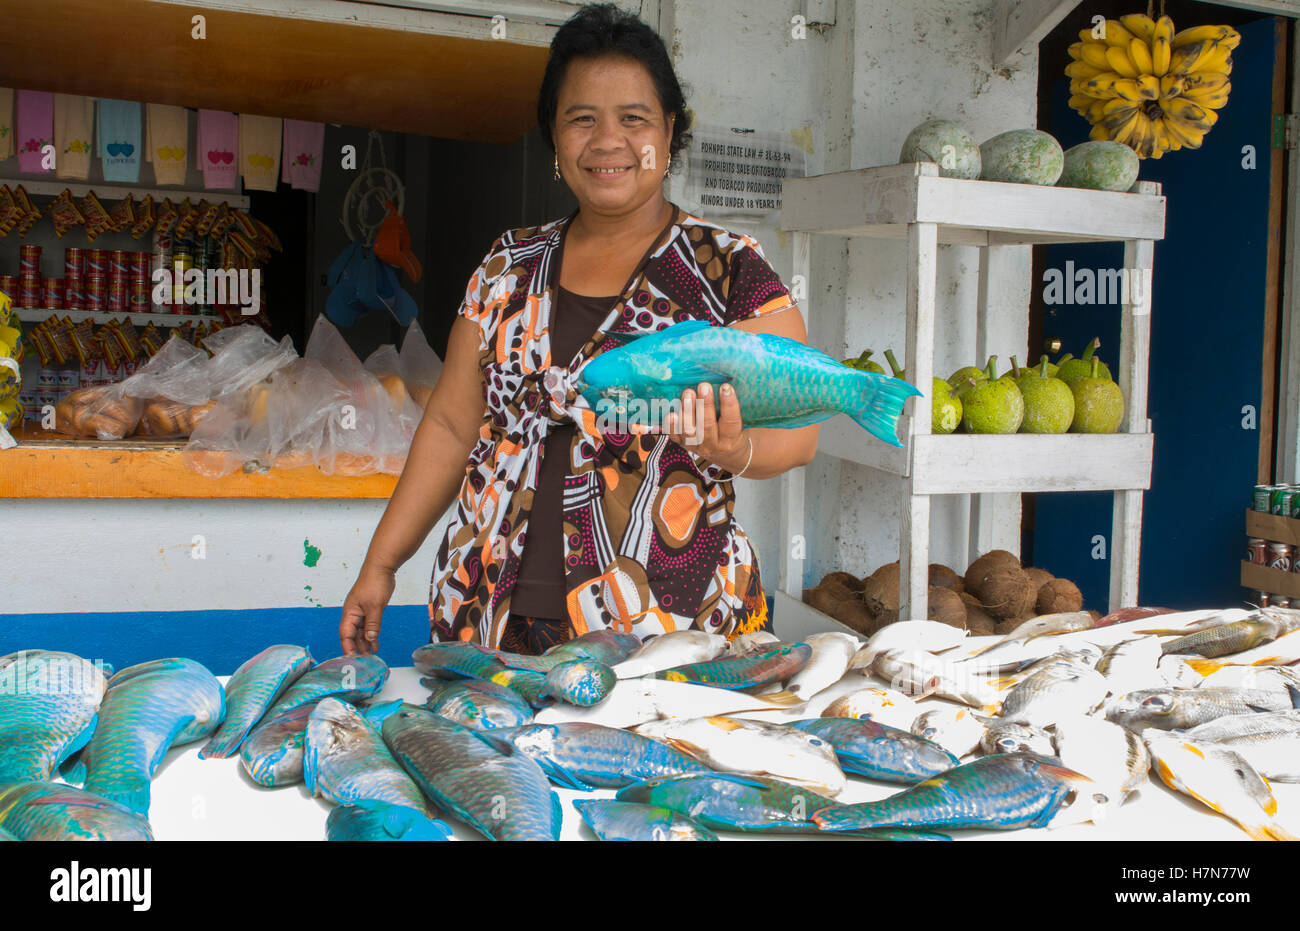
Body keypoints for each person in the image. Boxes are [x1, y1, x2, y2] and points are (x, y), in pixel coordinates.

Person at [340, 2, 818, 657]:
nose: (607, 141)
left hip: (668, 634)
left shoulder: (729, 271)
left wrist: (737, 449)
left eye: (634, 119)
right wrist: (381, 563)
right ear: (555, 138)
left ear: (669, 130)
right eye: (582, 118)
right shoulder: (508, 266)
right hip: (494, 619)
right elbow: (452, 425)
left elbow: (798, 428)